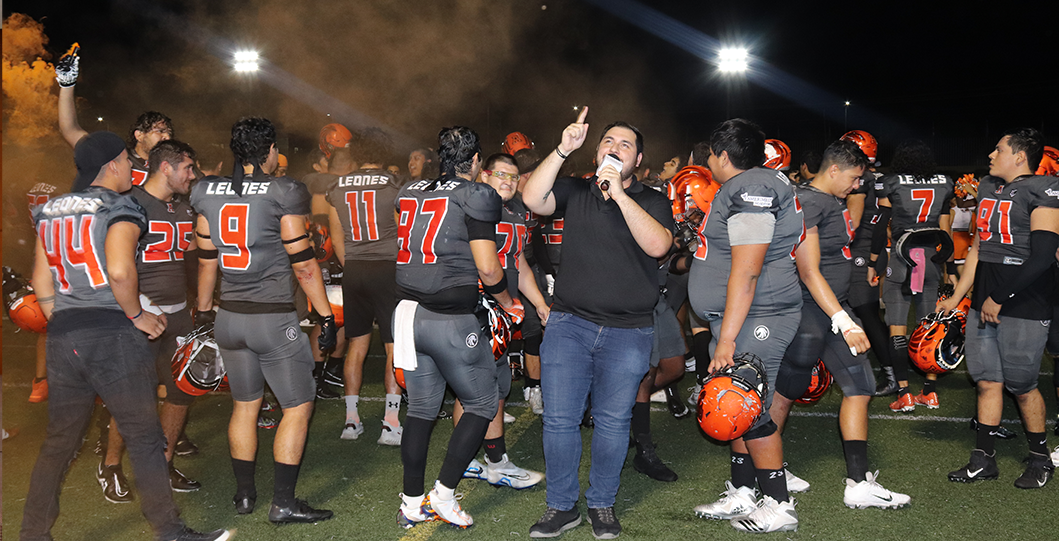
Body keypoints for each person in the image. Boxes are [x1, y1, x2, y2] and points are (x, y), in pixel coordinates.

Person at [22, 130, 228, 541]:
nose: (130, 167)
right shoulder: (120, 204)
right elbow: (119, 269)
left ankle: (32, 534)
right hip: (111, 334)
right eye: (125, 160)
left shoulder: (52, 209)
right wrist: (136, 315)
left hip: (65, 335)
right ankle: (169, 532)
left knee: (60, 442)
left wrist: (64, 318)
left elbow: (40, 281)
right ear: (113, 164)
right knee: (145, 437)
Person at [522, 107, 674, 539]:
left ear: (638, 161)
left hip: (628, 332)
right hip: (570, 325)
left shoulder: (651, 199)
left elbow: (660, 245)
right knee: (559, 421)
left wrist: (620, 196)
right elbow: (533, 199)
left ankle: (602, 504)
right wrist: (560, 150)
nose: (615, 148)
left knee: (612, 422)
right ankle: (561, 506)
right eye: (608, 141)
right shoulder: (575, 190)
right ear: (595, 153)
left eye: (626, 144)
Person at [192, 117, 336, 524]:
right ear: (270, 150)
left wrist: (204, 309)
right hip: (271, 318)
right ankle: (284, 502)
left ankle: (244, 495)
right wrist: (325, 315)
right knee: (297, 406)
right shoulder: (283, 190)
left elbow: (206, 260)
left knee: (244, 405)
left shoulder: (207, 190)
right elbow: (304, 263)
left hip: (229, 316)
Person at [392, 126, 524, 529]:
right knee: (483, 402)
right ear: (475, 163)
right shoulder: (475, 194)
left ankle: (411, 502)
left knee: (421, 409)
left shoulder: (410, 191)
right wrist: (507, 303)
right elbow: (487, 265)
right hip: (449, 318)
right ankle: (444, 494)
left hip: (408, 313)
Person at [769, 139, 911, 509]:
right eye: (853, 177)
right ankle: (765, 469)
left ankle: (859, 483)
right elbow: (808, 269)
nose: (857, 185)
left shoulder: (826, 200)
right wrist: (842, 319)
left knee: (860, 385)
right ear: (833, 170)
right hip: (811, 310)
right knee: (788, 388)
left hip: (831, 308)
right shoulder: (811, 201)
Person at [688, 119, 803, 534]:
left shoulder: (749, 187)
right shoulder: (758, 182)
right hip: (744, 314)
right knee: (733, 401)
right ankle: (743, 490)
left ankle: (778, 503)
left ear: (721, 155)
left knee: (745, 402)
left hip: (759, 314)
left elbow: (748, 271)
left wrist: (729, 340)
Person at [941, 128, 1059, 488]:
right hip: (985, 301)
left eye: (999, 149)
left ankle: (1040, 459)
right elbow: (978, 249)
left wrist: (999, 297)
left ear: (1020, 156)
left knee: (1022, 386)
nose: (991, 155)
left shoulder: (1045, 190)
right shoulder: (988, 187)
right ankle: (983, 459)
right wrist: (959, 295)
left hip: (1022, 302)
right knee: (987, 381)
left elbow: (1041, 258)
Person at [98, 140, 203, 503]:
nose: (193, 174)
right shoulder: (131, 204)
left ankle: (163, 463)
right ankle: (111, 465)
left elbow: (191, 256)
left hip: (178, 316)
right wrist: (140, 309)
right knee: (134, 399)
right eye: (187, 168)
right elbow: (109, 265)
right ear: (166, 168)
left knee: (181, 393)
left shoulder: (183, 207)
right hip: (140, 318)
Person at [459, 152, 547, 489]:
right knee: (481, 388)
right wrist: (507, 304)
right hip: (478, 308)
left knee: (491, 388)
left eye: (513, 176)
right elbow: (485, 265)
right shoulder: (475, 208)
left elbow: (518, 261)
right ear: (484, 175)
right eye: (500, 175)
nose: (508, 182)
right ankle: (491, 462)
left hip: (500, 310)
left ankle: (478, 459)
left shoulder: (515, 212)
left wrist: (538, 302)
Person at [325, 129, 404, 444]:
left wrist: (353, 265)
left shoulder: (337, 186)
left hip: (354, 269)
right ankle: (390, 422)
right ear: (384, 153)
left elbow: (336, 235)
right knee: (392, 346)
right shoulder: (395, 185)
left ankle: (351, 421)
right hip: (387, 269)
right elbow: (404, 230)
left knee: (356, 345)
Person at [866, 140, 956, 412]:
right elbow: (945, 228)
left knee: (896, 324)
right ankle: (929, 391)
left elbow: (882, 224)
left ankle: (904, 391)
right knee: (930, 325)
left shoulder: (891, 182)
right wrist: (949, 269)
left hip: (904, 257)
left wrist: (873, 262)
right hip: (930, 258)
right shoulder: (944, 183)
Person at [56, 45, 173, 187]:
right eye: (160, 131)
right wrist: (67, 85)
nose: (167, 137)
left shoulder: (172, 168)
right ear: (139, 135)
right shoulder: (115, 158)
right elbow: (70, 130)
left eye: (169, 133)